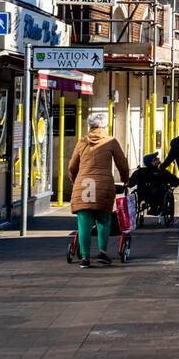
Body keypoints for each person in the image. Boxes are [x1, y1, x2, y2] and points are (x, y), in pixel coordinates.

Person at [68, 111, 129, 268]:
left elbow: (72, 166)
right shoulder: (110, 141)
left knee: (84, 223)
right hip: (103, 187)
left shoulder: (82, 142)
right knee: (103, 220)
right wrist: (125, 179)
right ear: (104, 126)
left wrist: (75, 181)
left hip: (83, 185)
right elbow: (122, 163)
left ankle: (85, 258)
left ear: (90, 126)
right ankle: (102, 253)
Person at [127, 152, 179, 218]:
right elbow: (175, 182)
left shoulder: (139, 172)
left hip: (142, 194)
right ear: (153, 162)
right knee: (164, 190)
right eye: (156, 159)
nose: (159, 159)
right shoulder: (162, 172)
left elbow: (130, 184)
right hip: (158, 195)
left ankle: (153, 208)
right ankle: (154, 208)